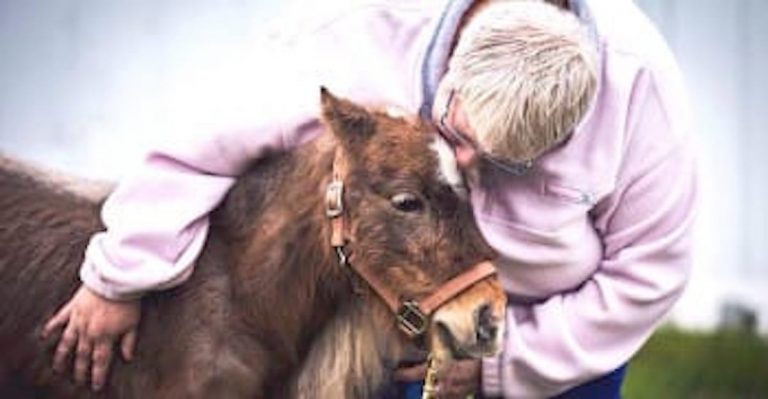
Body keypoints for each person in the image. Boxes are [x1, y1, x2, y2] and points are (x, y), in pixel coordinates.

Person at [41, 0, 697, 397]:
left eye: (504, 163)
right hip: (390, 326)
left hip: (557, 339)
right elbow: (199, 149)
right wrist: (119, 277)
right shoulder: (353, 30)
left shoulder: (642, 95)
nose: (464, 168)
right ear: (454, 71)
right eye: (458, 136)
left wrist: (509, 364)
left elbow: (650, 273)